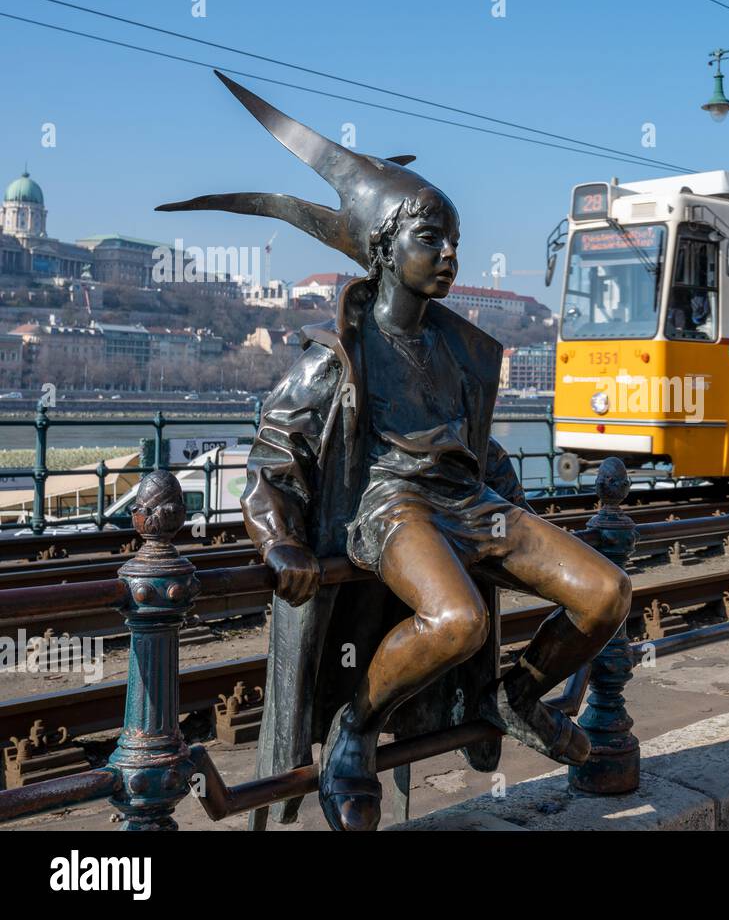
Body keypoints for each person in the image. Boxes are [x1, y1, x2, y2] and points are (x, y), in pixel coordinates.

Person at [158, 72, 631, 831]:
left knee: (608, 593)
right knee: (458, 621)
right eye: (429, 238)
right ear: (383, 247)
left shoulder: (462, 351)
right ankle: (356, 728)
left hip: (469, 506)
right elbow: (271, 463)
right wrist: (279, 543)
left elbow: (476, 453)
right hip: (390, 508)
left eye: (453, 241)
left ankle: (513, 696)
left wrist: (511, 499)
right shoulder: (335, 356)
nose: (448, 254)